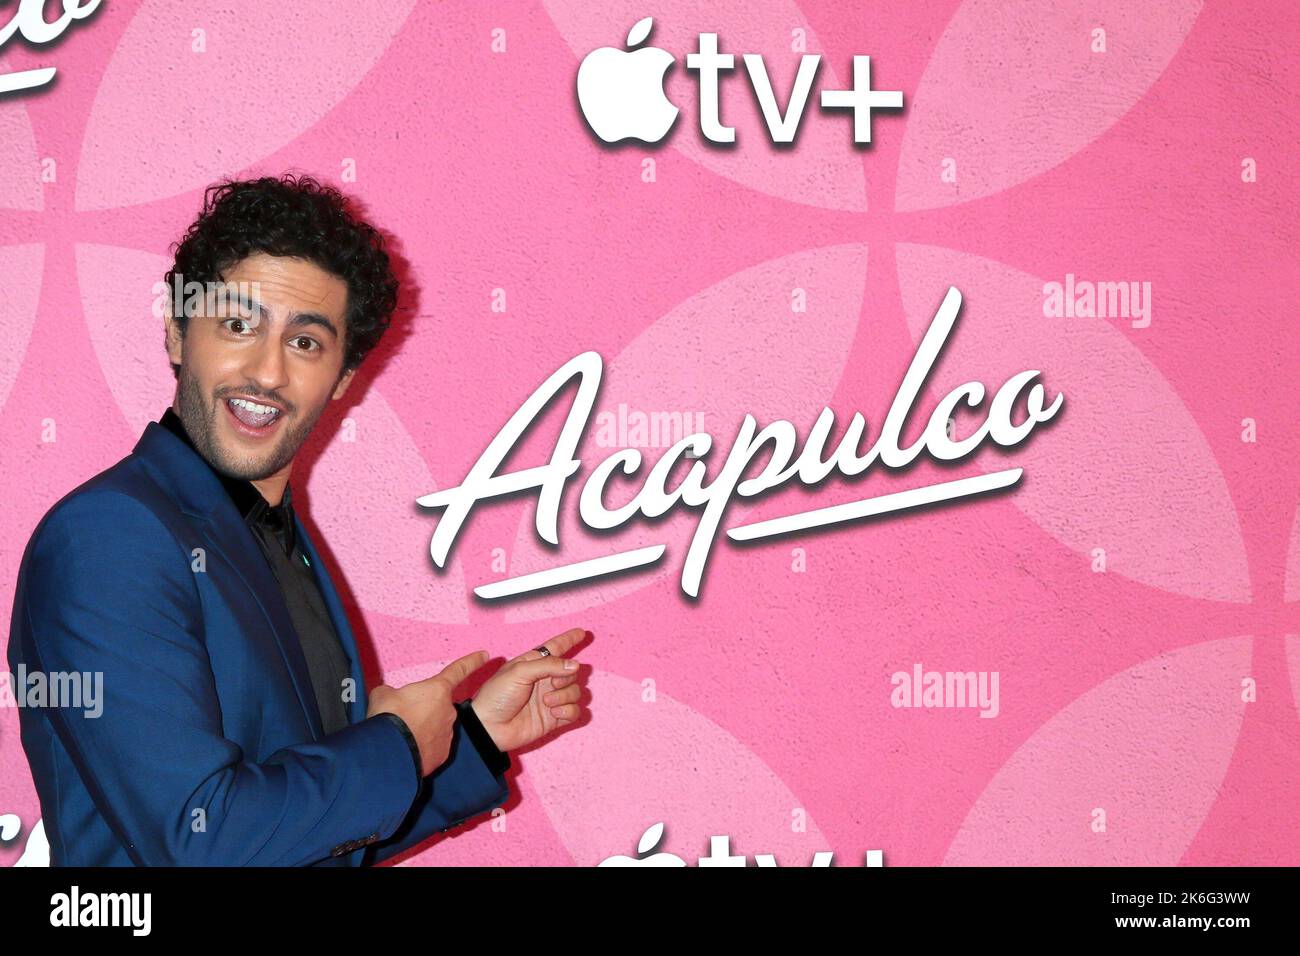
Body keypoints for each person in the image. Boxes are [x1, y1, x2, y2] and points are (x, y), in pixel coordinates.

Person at [6, 173, 589, 866]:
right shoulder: (109, 535)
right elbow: (200, 839)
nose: (266, 372)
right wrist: (397, 745)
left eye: (306, 343)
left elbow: (307, 838)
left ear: (342, 381)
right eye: (237, 325)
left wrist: (472, 739)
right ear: (176, 333)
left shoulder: (285, 545)